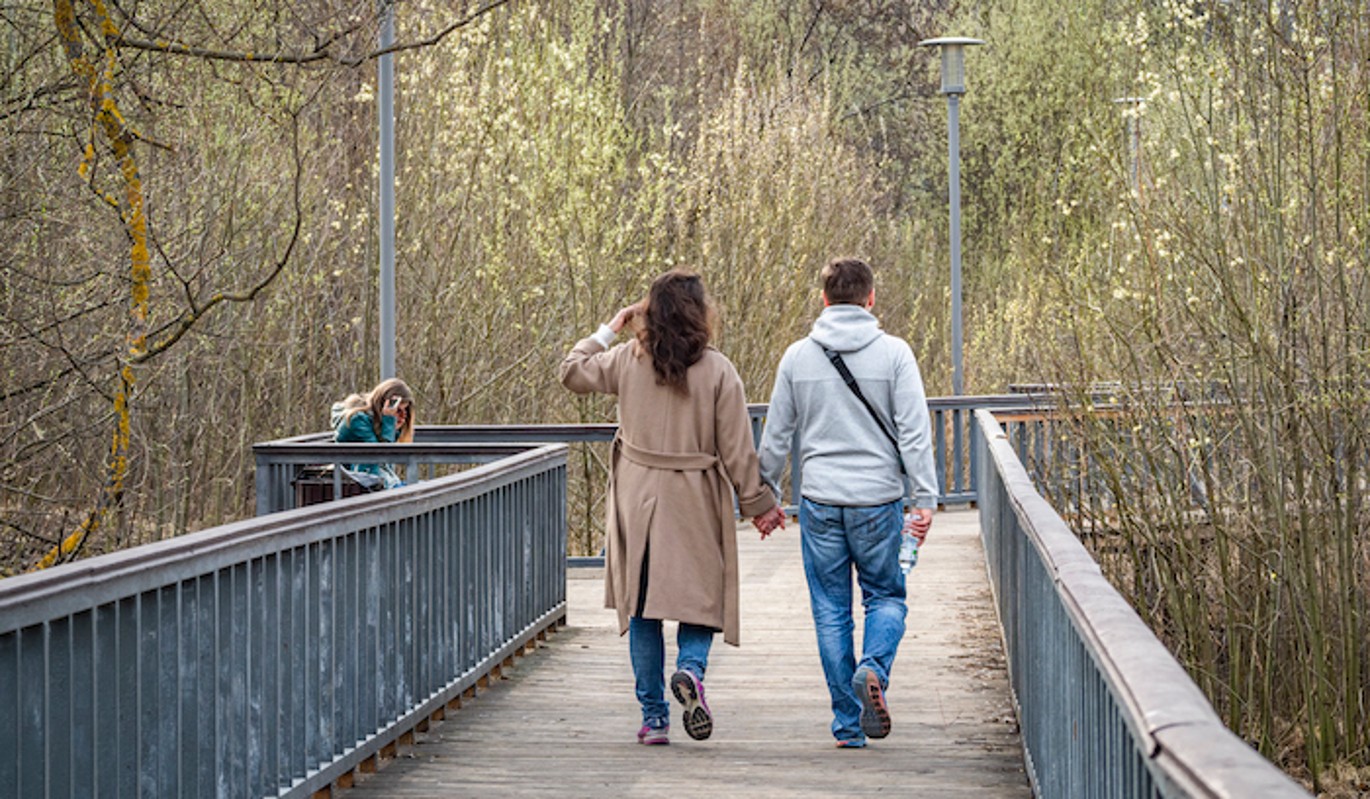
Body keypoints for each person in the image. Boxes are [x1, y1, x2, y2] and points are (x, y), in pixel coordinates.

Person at [559, 270, 785, 746]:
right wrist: (758, 504)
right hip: (695, 497)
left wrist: (608, 329)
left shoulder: (626, 359)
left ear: (649, 311)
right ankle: (690, 669)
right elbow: (738, 450)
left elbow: (572, 371)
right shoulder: (719, 371)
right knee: (700, 600)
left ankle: (654, 717)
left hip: (636, 498)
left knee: (642, 609)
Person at [757, 257, 938, 748]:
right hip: (878, 500)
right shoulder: (896, 354)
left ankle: (848, 724)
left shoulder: (797, 356)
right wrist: (924, 497)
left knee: (831, 611)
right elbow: (915, 432)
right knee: (886, 596)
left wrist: (762, 496)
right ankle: (874, 668)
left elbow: (776, 436)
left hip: (819, 500)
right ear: (871, 298)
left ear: (824, 298)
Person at [330, 377, 415, 490]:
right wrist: (389, 421)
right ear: (384, 405)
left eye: (406, 411)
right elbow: (379, 454)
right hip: (357, 482)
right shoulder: (357, 419)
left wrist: (393, 426)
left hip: (370, 480)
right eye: (398, 410)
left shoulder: (379, 422)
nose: (403, 416)